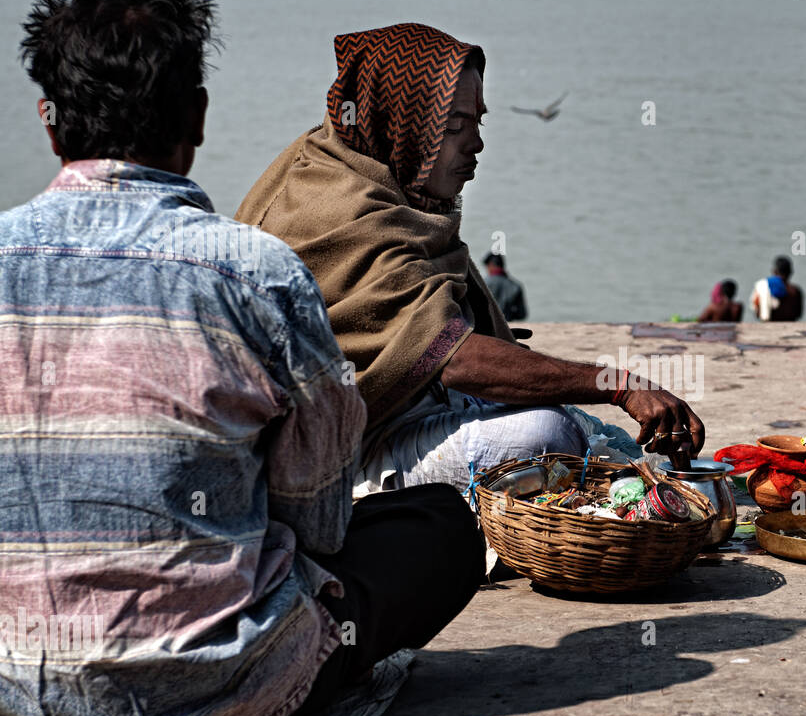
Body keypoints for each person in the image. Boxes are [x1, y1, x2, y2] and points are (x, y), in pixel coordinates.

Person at [0, 0, 484, 716]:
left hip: (16, 674)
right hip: (222, 681)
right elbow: (319, 524)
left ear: (50, 126)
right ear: (196, 114)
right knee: (442, 528)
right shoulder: (254, 272)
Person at [238, 24, 704, 490]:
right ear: (400, 123)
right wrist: (618, 384)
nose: (476, 143)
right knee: (548, 435)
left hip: (410, 404)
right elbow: (452, 355)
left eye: (478, 122)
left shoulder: (378, 176)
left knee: (596, 433)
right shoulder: (340, 206)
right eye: (454, 126)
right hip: (333, 455)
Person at [751, 256, 803, 322]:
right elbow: (798, 314)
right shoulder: (796, 291)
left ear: (774, 271)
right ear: (790, 272)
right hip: (791, 326)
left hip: (769, 327)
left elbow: (758, 314)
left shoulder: (765, 288)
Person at [484, 252, 527, 321]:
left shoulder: (481, 284)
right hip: (507, 326)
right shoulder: (516, 286)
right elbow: (522, 314)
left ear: (490, 265)